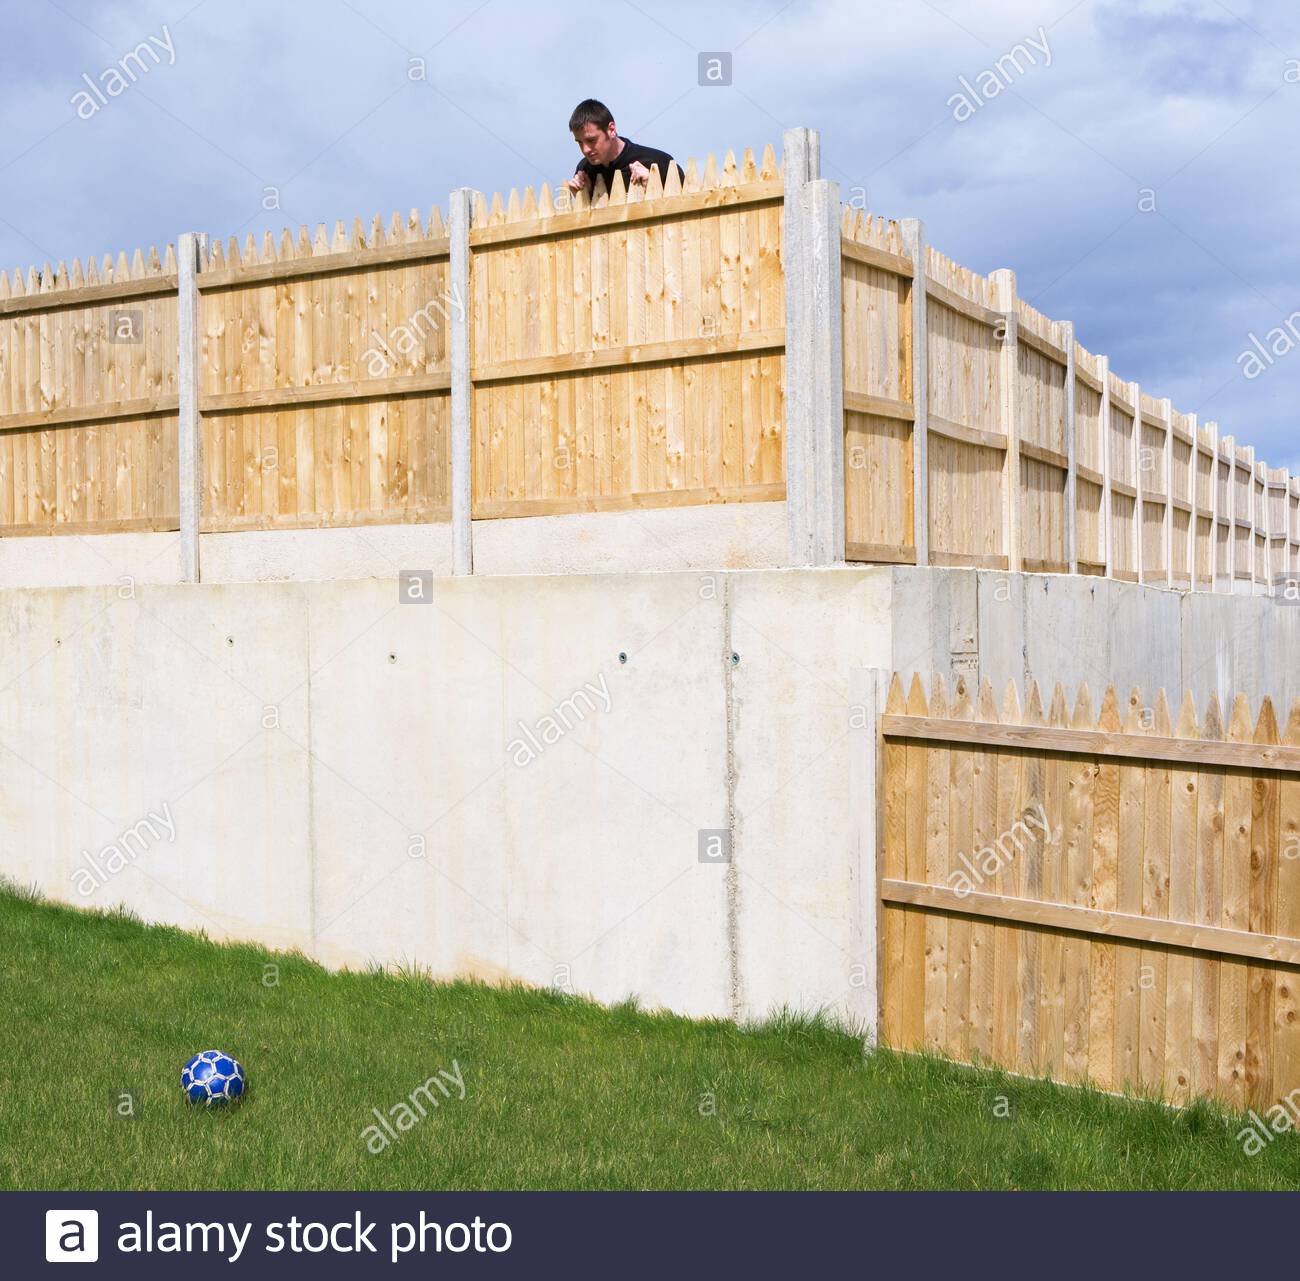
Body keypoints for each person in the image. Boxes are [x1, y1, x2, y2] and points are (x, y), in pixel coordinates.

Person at [565, 99, 684, 195]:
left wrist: (654, 187)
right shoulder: (584, 171)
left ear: (611, 130)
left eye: (591, 140)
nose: (585, 150)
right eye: (579, 142)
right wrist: (583, 196)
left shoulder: (658, 162)